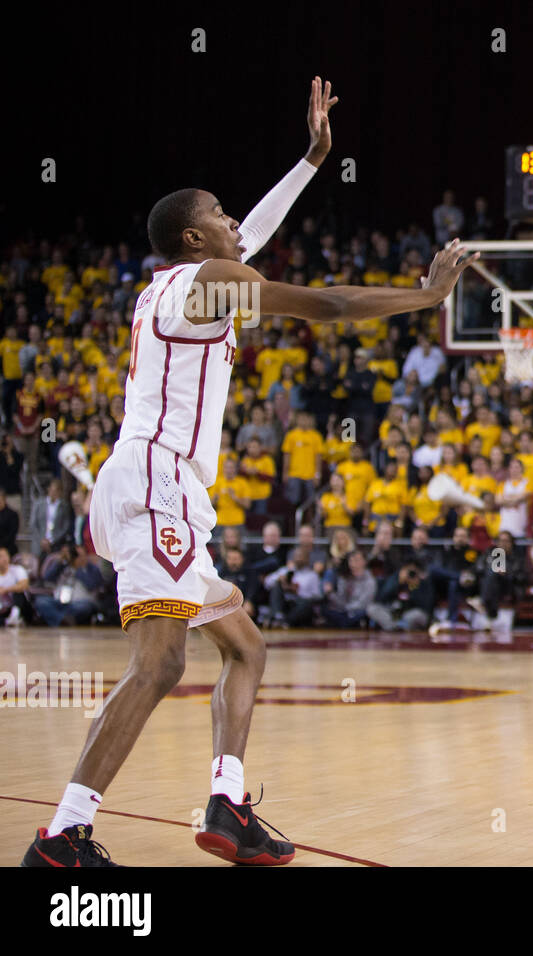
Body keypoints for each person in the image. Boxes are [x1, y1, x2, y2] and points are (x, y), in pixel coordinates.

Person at [21, 77, 479, 869]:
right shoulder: (205, 285)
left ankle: (227, 809)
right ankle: (63, 834)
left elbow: (254, 235)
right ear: (197, 241)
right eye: (220, 216)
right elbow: (327, 306)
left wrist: (311, 158)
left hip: (167, 484)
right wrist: (423, 296)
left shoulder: (186, 282)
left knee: (246, 646)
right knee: (161, 664)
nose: (237, 223)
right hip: (157, 480)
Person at [0, 547, 31, 627]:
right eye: (1, 556)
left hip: (21, 606)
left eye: (5, 556)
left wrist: (6, 589)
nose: (4, 559)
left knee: (18, 590)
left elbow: (24, 585)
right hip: (4, 607)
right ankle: (9, 622)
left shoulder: (17, 569)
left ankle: (15, 615)